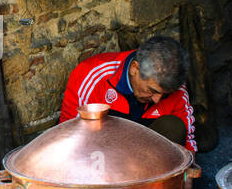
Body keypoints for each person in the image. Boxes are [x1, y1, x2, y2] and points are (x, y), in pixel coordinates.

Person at [60, 34, 196, 152]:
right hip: (102, 148)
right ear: (134, 69)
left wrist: (187, 178)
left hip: (145, 149)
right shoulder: (93, 76)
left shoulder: (172, 84)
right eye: (152, 91)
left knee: (173, 126)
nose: (157, 100)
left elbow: (188, 144)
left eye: (164, 95)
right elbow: (69, 133)